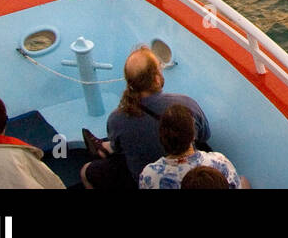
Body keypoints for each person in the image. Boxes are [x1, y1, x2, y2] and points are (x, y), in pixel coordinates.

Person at [80, 46, 211, 189]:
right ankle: (104, 147)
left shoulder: (116, 119)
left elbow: (120, 150)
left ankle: (104, 148)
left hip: (138, 176)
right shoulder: (187, 105)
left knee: (85, 171)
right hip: (191, 178)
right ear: (156, 79)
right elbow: (204, 136)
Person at [139, 104, 245, 189]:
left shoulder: (149, 174)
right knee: (244, 181)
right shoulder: (219, 162)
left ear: (162, 138)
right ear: (193, 135)